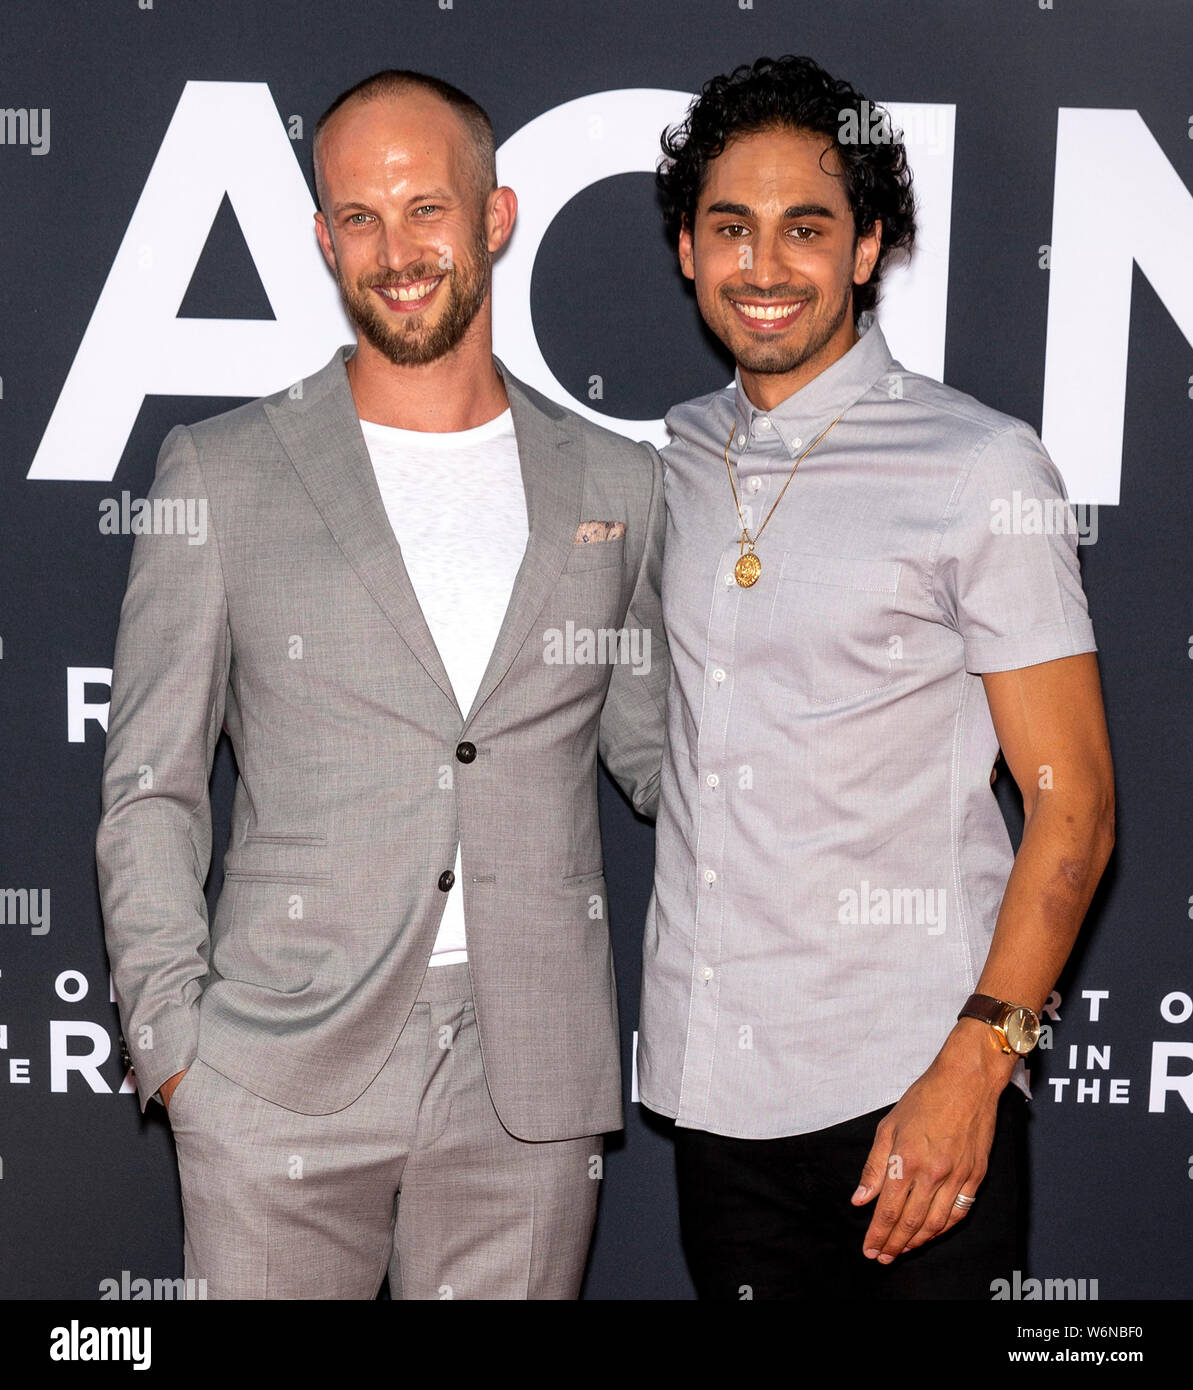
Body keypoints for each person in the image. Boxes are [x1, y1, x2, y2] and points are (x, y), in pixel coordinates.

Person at [96, 69, 668, 1300]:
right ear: (320, 239)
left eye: (426, 209)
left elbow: (656, 759)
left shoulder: (620, 487)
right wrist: (178, 1054)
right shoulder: (223, 472)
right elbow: (149, 787)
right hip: (272, 1069)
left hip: (528, 1082)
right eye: (358, 216)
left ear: (496, 216)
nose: (394, 249)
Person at [638, 54, 1115, 1300]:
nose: (763, 267)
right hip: (714, 1093)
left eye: (807, 228)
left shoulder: (979, 465)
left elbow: (1072, 807)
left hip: (912, 1093)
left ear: (867, 248)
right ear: (687, 251)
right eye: (728, 228)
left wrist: (975, 1067)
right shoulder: (677, 454)